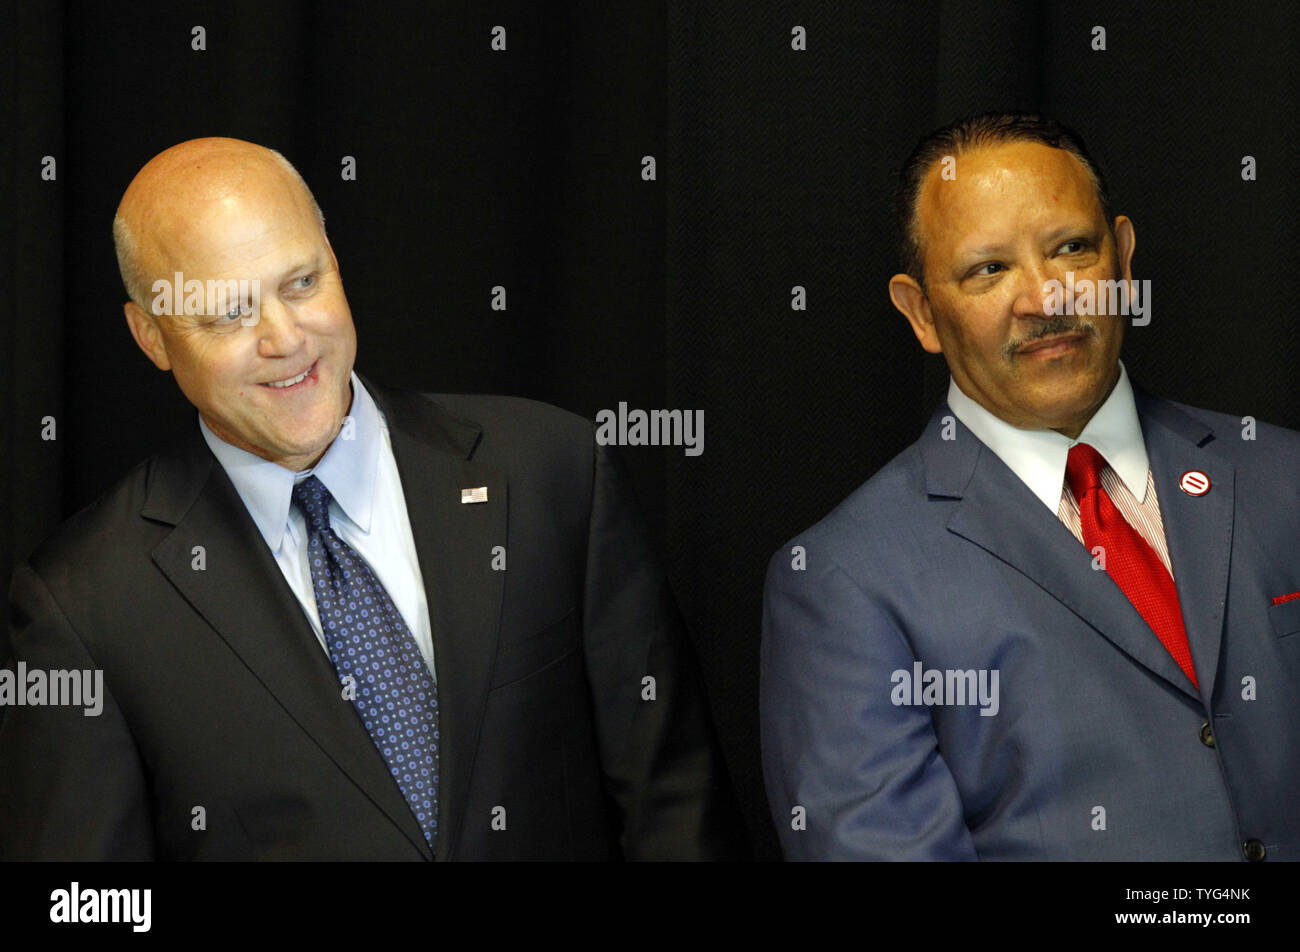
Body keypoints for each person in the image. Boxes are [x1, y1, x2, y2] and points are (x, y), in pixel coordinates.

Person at [0, 137, 746, 861]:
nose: (285, 338)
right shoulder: (84, 607)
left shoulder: (553, 472)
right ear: (152, 337)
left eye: (302, 282)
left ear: (336, 261)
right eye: (229, 312)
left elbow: (674, 808)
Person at [760, 113, 1300, 861]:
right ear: (920, 312)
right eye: (988, 269)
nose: (1046, 299)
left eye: (1072, 249)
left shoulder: (1283, 479)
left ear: (1125, 261)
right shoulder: (843, 582)